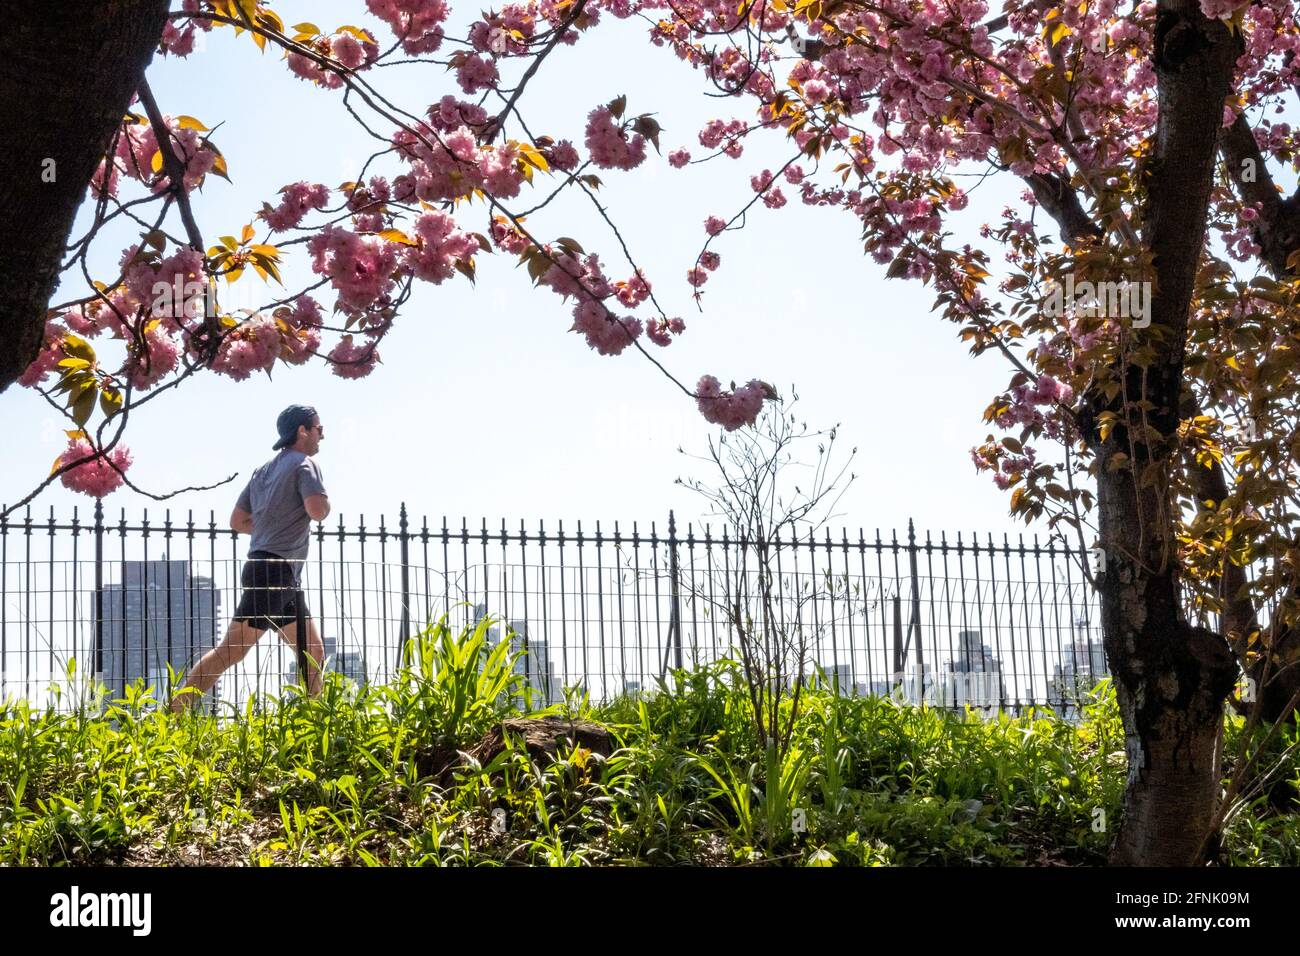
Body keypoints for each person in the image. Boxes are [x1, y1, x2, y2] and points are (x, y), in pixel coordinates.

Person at [170, 404, 330, 713]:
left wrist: (271, 523)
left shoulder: (263, 471)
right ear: (302, 431)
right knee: (230, 652)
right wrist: (322, 504)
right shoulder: (305, 465)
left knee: (312, 650)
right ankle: (173, 713)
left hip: (273, 571)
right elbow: (317, 511)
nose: (322, 435)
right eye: (319, 429)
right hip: (274, 573)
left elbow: (238, 520)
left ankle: (315, 722)